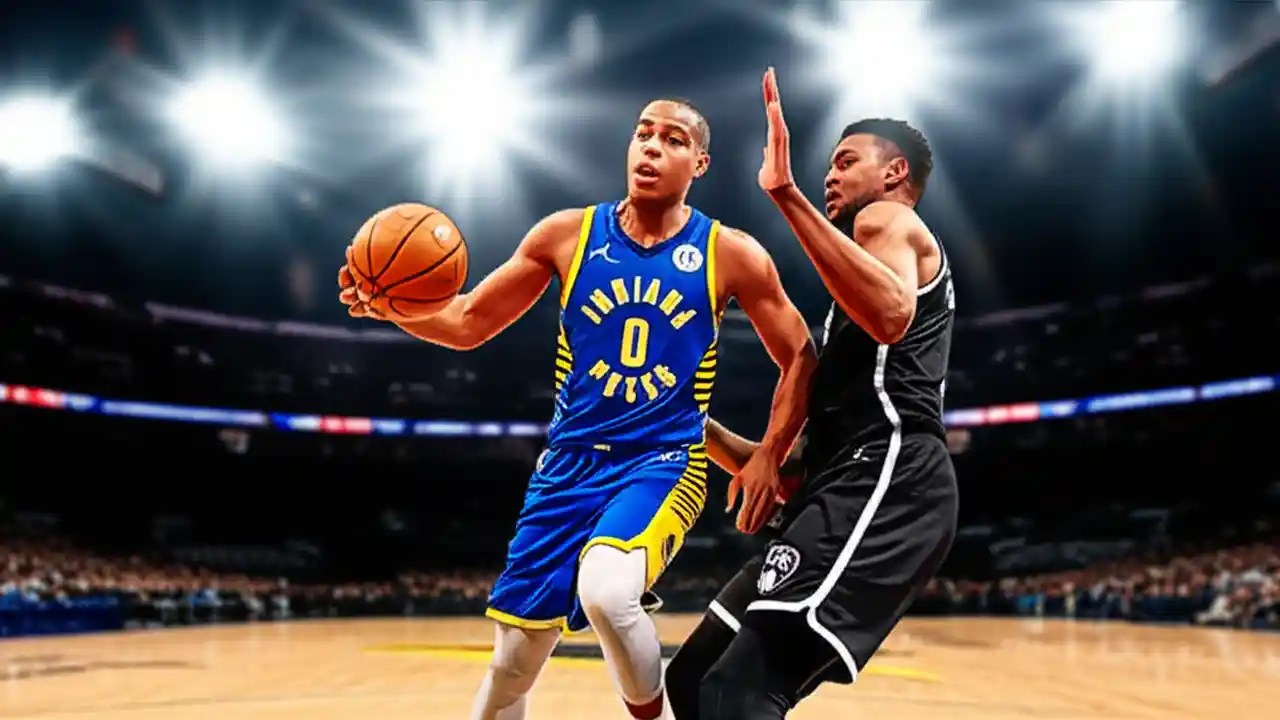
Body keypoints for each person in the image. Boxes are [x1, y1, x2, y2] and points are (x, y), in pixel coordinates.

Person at [338, 97, 817, 720]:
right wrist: (392, 307)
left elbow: (800, 353)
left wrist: (770, 454)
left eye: (673, 139)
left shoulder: (730, 252)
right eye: (643, 133)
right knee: (512, 662)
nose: (651, 146)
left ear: (700, 163)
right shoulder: (567, 235)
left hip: (662, 463)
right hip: (566, 466)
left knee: (608, 591)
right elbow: (468, 320)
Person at [664, 68, 959, 719]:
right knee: (693, 678)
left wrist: (785, 193)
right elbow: (776, 472)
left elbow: (893, 315)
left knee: (739, 691)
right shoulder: (847, 305)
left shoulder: (888, 219)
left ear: (894, 173)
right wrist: (681, 418)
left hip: (890, 473)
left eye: (846, 162)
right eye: (828, 165)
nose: (830, 175)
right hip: (843, 478)